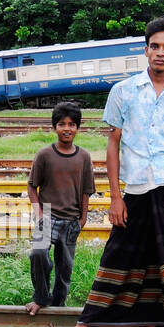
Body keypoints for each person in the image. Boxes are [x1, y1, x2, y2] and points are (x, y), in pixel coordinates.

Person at [46, 15, 164, 327]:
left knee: (159, 261)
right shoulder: (123, 91)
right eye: (154, 47)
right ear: (145, 50)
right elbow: (113, 145)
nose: (160, 53)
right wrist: (115, 196)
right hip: (135, 191)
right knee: (116, 255)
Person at [25, 102, 96, 315]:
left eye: (72, 124)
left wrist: (83, 218)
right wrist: (39, 212)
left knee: (65, 269)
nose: (67, 128)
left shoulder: (84, 157)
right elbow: (32, 186)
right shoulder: (45, 154)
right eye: (62, 124)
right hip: (47, 217)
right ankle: (41, 297)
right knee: (38, 254)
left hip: (71, 220)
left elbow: (86, 190)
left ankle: (58, 307)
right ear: (54, 127)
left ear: (78, 128)